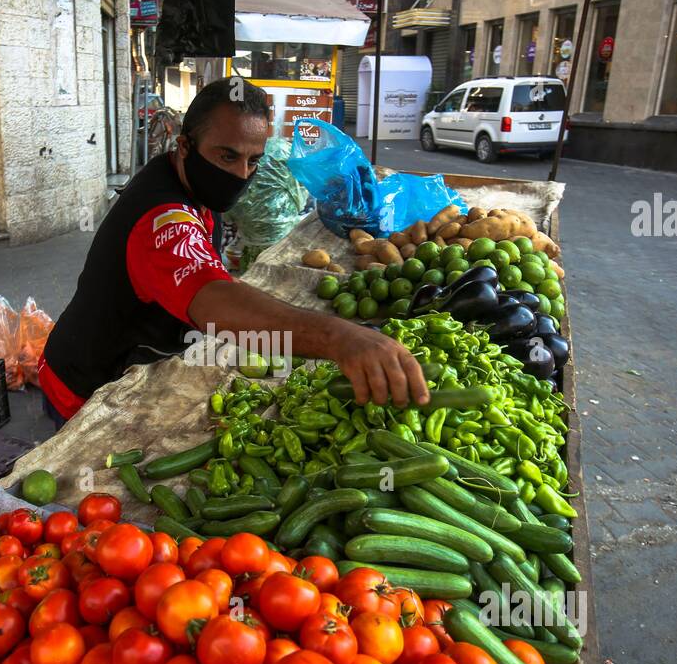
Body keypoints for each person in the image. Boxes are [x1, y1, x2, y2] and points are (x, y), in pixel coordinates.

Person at [37, 77, 427, 428]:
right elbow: (213, 299)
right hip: (87, 385)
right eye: (227, 156)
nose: (242, 174)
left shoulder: (189, 181)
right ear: (185, 146)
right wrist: (338, 337)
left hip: (135, 355)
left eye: (253, 160)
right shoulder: (161, 218)